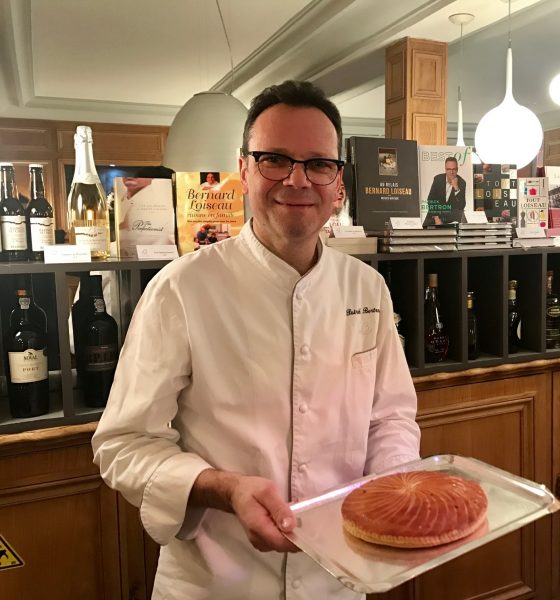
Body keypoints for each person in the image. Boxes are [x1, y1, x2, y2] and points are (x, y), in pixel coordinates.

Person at [92, 80, 421, 600]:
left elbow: (392, 416)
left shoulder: (367, 287)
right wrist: (225, 490)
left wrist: (391, 485)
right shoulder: (180, 290)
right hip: (216, 582)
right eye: (275, 159)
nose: (297, 180)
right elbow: (123, 445)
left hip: (339, 577)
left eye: (318, 164)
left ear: (338, 182)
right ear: (243, 170)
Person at [422, 156, 466, 226]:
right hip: (434, 216)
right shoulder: (438, 179)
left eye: (454, 169)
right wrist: (437, 218)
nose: (451, 172)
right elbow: (431, 199)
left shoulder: (462, 182)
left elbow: (461, 206)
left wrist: (456, 188)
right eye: (448, 169)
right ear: (445, 169)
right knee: (424, 231)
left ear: (457, 169)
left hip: (451, 219)